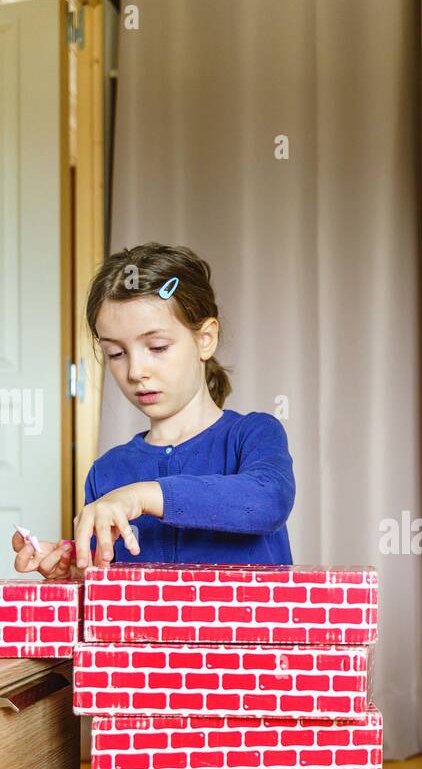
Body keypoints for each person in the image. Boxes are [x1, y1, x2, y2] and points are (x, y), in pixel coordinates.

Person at [12, 242, 295, 577]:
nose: (135, 371)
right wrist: (76, 570)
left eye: (157, 347)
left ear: (205, 338)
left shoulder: (254, 434)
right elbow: (109, 585)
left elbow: (267, 501)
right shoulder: (108, 472)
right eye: (116, 354)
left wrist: (144, 495)